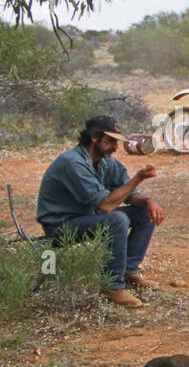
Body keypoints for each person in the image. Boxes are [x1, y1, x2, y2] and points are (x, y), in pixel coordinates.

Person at [36, 114, 165, 309]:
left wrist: (148, 201)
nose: (115, 147)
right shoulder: (72, 162)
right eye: (111, 141)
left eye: (116, 142)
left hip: (86, 219)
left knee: (143, 211)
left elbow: (128, 193)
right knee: (117, 219)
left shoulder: (106, 162)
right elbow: (105, 206)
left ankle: (129, 272)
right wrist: (138, 177)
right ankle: (112, 287)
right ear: (94, 137)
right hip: (60, 228)